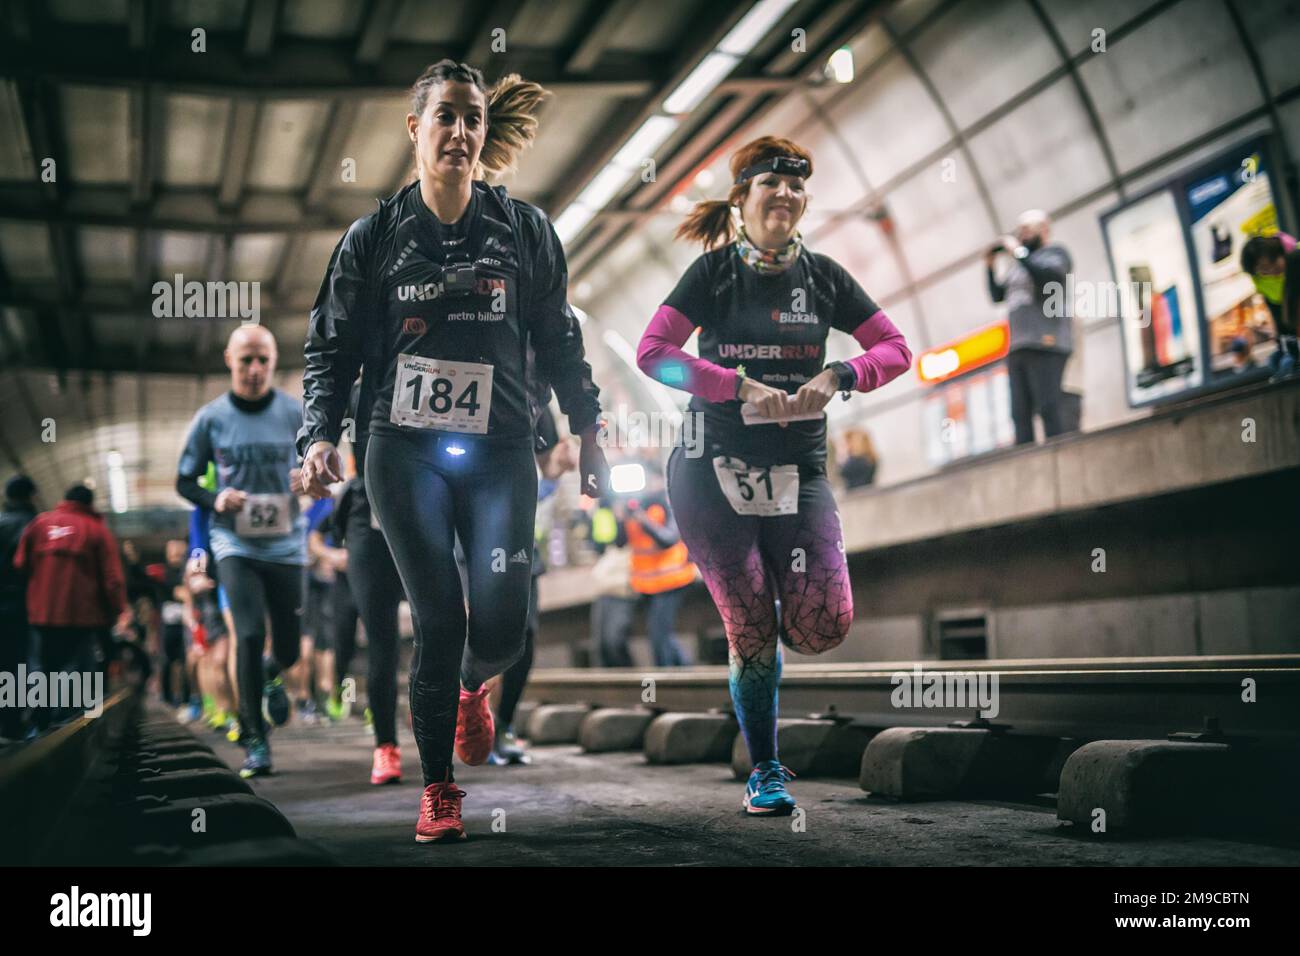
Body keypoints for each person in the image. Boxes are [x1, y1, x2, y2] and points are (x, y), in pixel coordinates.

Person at [297, 60, 609, 842]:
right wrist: (320, 436)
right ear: (416, 129)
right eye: (445, 117)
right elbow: (330, 349)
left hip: (501, 449)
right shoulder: (373, 239)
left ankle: (477, 684)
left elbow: (561, 343)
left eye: (472, 118)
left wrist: (589, 431)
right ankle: (438, 787)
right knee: (437, 619)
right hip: (402, 454)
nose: (461, 132)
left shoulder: (525, 232)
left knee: (505, 626)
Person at [637, 136, 911, 815]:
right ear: (743, 197)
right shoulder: (712, 276)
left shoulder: (823, 279)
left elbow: (897, 350)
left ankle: (763, 633)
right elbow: (654, 355)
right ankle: (765, 769)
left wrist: (841, 373)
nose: (785, 195)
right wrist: (735, 386)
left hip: (797, 470)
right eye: (771, 184)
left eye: (796, 185)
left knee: (824, 623)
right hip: (710, 468)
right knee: (752, 627)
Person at [176, 324, 306, 778]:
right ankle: (255, 740)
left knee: (289, 650)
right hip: (235, 544)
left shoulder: (296, 413)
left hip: (288, 547)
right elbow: (184, 480)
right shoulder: (211, 419)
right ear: (230, 360)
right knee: (246, 635)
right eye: (246, 359)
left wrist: (310, 480)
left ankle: (273, 670)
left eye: (263, 360)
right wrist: (216, 499)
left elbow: (322, 472)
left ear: (273, 363)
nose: (254, 369)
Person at [14, 484, 130, 731]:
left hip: (41, 614)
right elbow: (112, 580)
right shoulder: (96, 530)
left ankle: (38, 725)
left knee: (42, 669)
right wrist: (118, 611)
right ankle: (68, 727)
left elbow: (20, 564)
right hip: (82, 616)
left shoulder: (39, 524)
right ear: (90, 504)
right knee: (76, 671)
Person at [985, 209, 1073, 445]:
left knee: (1048, 405)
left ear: (1043, 229)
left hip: (1047, 342)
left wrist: (1017, 251)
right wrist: (990, 266)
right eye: (1020, 232)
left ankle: (1060, 454)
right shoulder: (1018, 266)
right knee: (1019, 412)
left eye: (1027, 230)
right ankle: (1026, 463)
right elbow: (997, 295)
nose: (1022, 236)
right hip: (1019, 345)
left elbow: (1048, 279)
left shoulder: (1055, 254)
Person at [614, 460, 695, 667]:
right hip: (647, 583)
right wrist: (621, 519)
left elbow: (668, 538)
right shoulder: (633, 507)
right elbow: (620, 542)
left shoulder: (667, 502)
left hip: (672, 579)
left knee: (659, 635)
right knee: (662, 634)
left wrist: (642, 518)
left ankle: (669, 683)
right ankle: (684, 674)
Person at [0, 476, 39, 742]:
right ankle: (27, 720)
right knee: (28, 663)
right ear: (31, 496)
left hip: (2, 604)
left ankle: (8, 724)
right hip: (31, 605)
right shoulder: (37, 525)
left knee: (5, 664)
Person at [1239, 232, 1300, 381]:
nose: (1271, 272)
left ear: (1279, 254)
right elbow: (1282, 320)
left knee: (1286, 363)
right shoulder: (1266, 285)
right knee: (1277, 362)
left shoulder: (1295, 260)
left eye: (1269, 266)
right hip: (1292, 334)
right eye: (1264, 271)